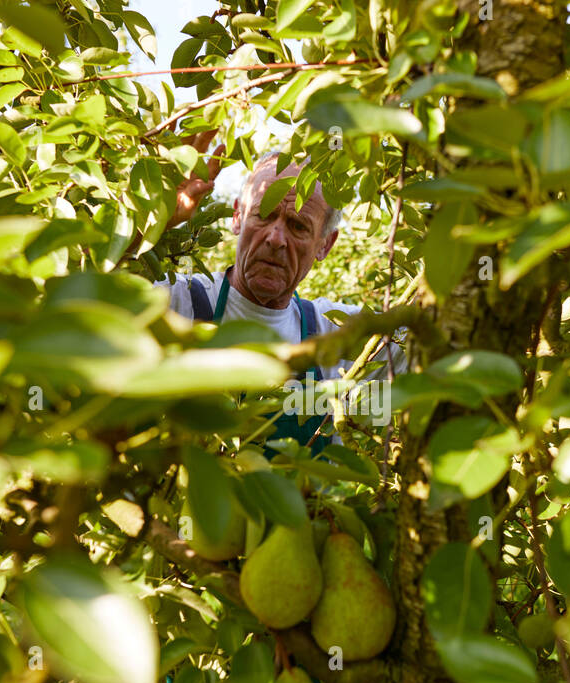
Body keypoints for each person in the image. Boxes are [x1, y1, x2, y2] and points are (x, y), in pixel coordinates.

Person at [155, 139, 407, 454]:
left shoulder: (337, 336)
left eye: (298, 226)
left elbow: (457, 347)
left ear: (324, 246)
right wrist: (153, 220)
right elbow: (79, 308)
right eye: (263, 215)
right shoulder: (175, 304)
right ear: (237, 217)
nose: (276, 239)